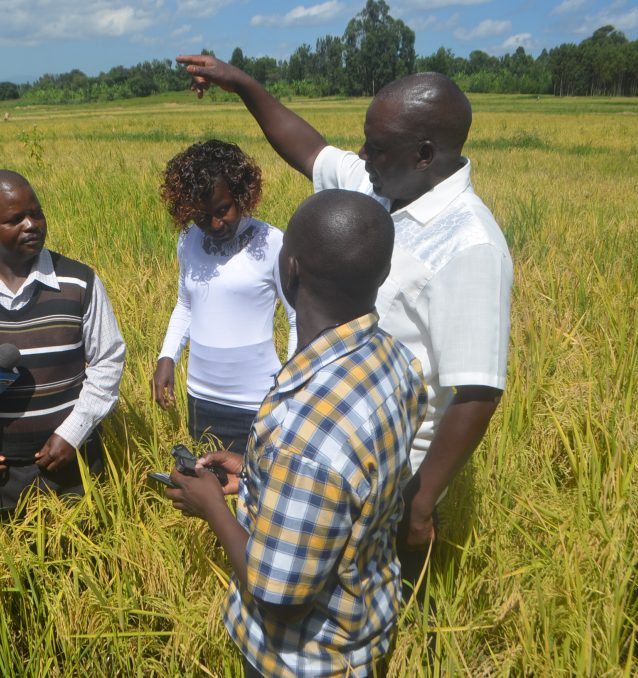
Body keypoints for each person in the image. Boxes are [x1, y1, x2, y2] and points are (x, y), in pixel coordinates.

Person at [176, 54, 513, 594]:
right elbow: (310, 151)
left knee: (361, 606)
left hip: (392, 476)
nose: (361, 156)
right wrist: (239, 83)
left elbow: (477, 390)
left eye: (374, 147)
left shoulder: (470, 244)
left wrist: (419, 503)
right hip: (331, 450)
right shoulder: (386, 181)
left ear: (424, 154)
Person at [167, 190, 428, 676]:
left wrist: (212, 510)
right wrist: (254, 473)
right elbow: (351, 488)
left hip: (301, 660)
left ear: (290, 271)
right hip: (362, 633)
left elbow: (278, 598)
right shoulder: (392, 360)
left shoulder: (303, 430)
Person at [0, 170, 125, 513]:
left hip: (74, 464)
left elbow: (108, 359)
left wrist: (73, 433)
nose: (32, 224)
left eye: (36, 213)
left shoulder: (79, 282)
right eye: (15, 219)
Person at [152, 140, 296, 453]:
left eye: (223, 210)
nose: (215, 224)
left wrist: (292, 384)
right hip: (200, 397)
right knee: (206, 492)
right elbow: (185, 306)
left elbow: (296, 316)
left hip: (257, 400)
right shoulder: (189, 239)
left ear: (242, 194)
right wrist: (167, 358)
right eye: (203, 216)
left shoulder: (273, 242)